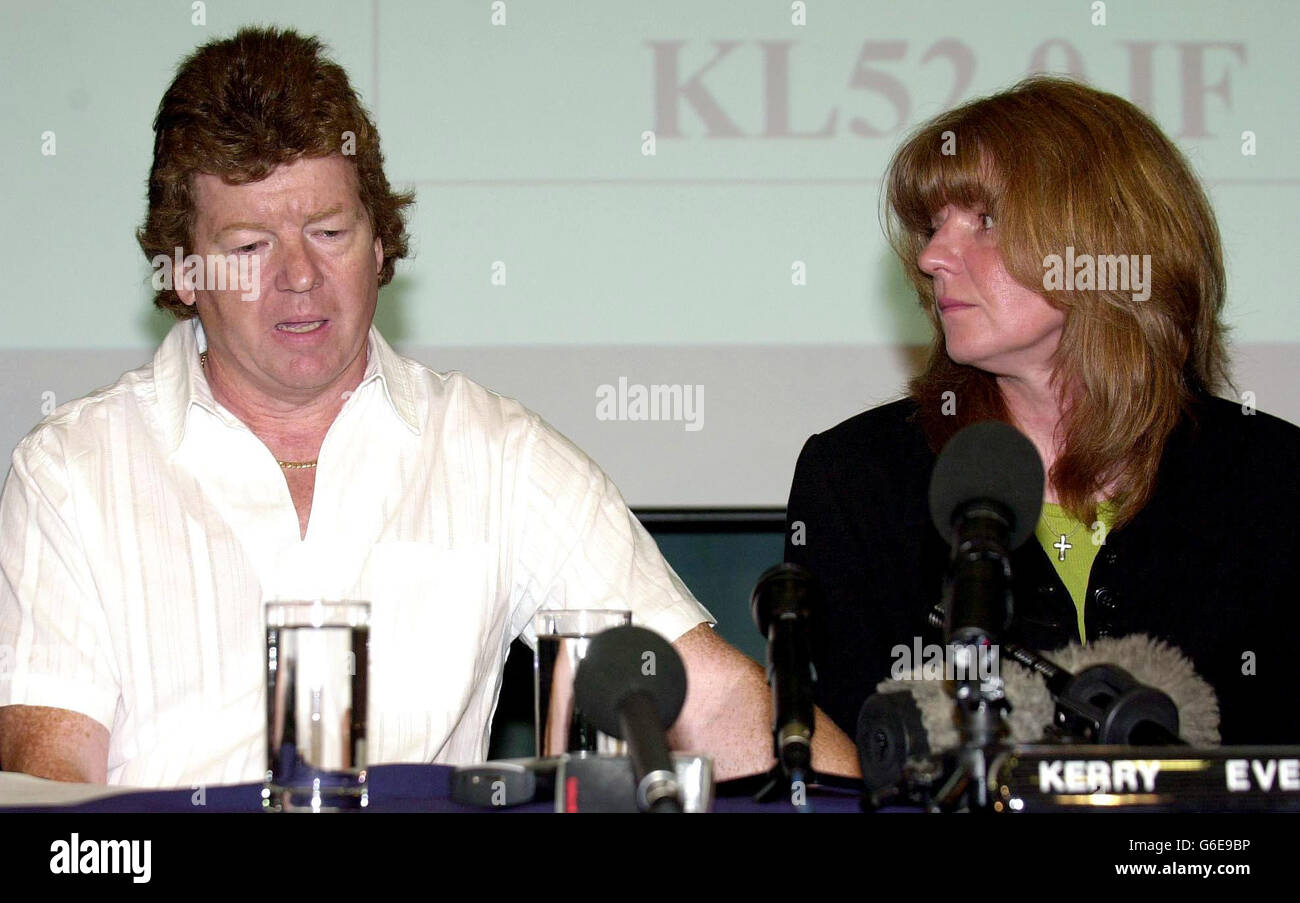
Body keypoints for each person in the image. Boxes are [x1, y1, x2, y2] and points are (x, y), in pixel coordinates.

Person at [0, 27, 858, 786]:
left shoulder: (493, 453)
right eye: (251, 245)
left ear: (382, 244)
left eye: (330, 233)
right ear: (185, 270)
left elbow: (700, 698)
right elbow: (52, 787)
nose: (299, 275)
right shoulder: (75, 470)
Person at [784, 75, 1300, 746]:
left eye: (985, 220)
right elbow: (845, 766)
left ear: (1106, 242)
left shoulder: (1272, 479)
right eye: (935, 225)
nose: (934, 255)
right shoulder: (859, 478)